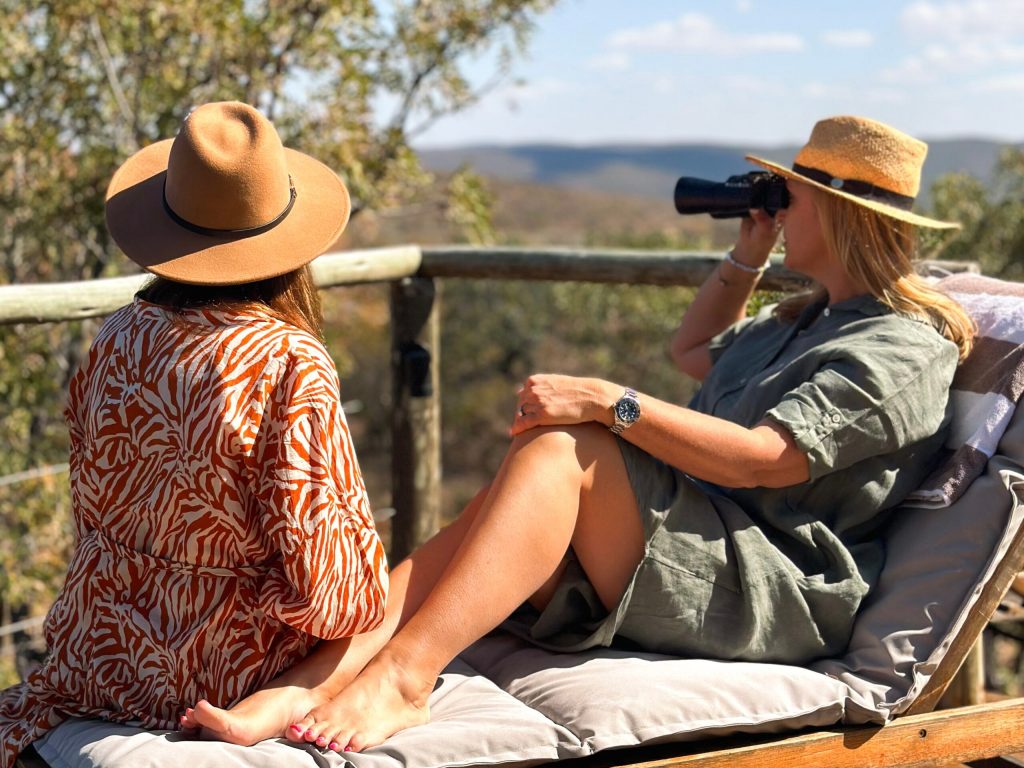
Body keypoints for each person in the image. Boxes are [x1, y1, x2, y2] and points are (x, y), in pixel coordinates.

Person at [181, 114, 977, 754]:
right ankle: (320, 675)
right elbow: (692, 352)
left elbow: (769, 460)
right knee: (495, 508)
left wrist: (609, 401)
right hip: (703, 534)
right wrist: (748, 253)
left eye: (790, 197)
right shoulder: (804, 315)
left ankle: (405, 676)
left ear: (835, 212)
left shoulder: (902, 344)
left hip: (777, 584)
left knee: (570, 447)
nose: (774, 205)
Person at [0, 101, 389, 767]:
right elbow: (332, 599)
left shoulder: (119, 333)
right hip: (223, 675)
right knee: (398, 598)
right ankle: (289, 698)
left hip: (101, 653)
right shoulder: (288, 363)